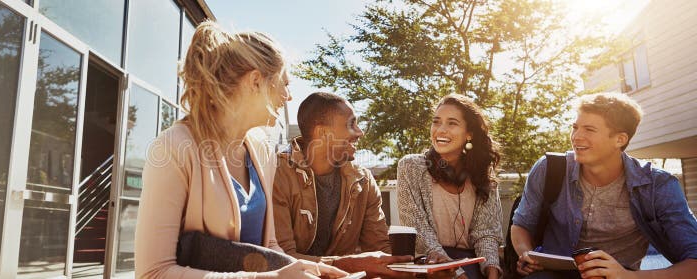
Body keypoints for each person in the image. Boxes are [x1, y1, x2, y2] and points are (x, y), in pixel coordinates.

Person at [136, 21, 347, 278]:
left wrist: (306, 270)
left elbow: (268, 249)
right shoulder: (174, 148)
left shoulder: (261, 150)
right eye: (284, 83)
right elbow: (153, 272)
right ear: (256, 81)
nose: (288, 96)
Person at [511, 92, 697, 278]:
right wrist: (526, 253)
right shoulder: (549, 168)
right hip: (552, 273)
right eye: (575, 127)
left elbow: (694, 262)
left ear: (620, 139)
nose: (576, 136)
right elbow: (521, 224)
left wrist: (628, 277)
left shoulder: (658, 185)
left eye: (589, 130)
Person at [272, 92, 417, 278]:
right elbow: (280, 258)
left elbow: (381, 250)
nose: (360, 132)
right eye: (351, 124)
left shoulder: (363, 181)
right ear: (323, 132)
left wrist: (422, 269)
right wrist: (347, 265)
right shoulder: (278, 174)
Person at [397, 94, 504, 279]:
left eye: (452, 123)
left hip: (472, 263)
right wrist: (455, 273)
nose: (441, 130)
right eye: (436, 122)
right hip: (431, 263)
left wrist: (492, 270)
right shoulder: (411, 167)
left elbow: (486, 233)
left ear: (469, 133)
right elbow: (418, 229)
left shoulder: (483, 176)